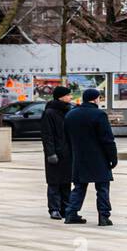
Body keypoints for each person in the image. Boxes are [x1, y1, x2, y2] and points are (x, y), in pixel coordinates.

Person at [63, 87, 116, 226]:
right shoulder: (99, 115)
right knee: (102, 188)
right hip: (99, 158)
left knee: (79, 187)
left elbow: (66, 138)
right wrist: (113, 157)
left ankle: (71, 214)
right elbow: (107, 139)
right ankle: (104, 217)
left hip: (79, 157)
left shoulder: (71, 115)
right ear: (95, 99)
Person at [40, 86, 74, 219]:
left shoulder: (69, 111)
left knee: (66, 182)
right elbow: (47, 135)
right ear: (61, 96)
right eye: (68, 95)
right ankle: (54, 208)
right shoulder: (49, 113)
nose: (70, 97)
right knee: (54, 182)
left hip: (68, 153)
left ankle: (66, 208)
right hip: (55, 153)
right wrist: (50, 153)